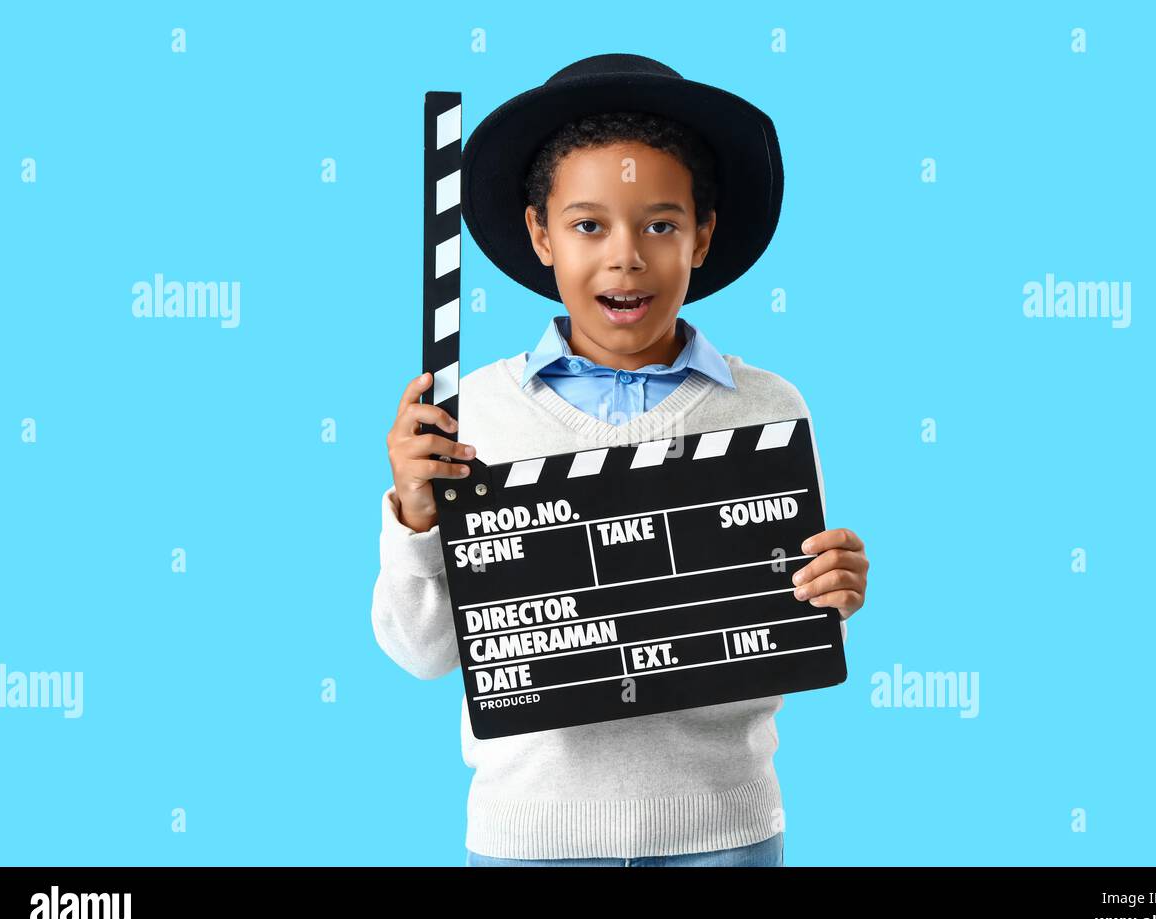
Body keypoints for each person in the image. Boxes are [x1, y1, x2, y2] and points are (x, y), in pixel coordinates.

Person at [373, 54, 870, 867]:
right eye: (588, 224)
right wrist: (416, 520)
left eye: (661, 224)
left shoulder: (771, 409)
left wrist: (830, 589)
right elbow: (422, 653)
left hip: (725, 833)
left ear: (703, 236)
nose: (627, 257)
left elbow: (781, 620)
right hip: (527, 837)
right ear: (540, 234)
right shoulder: (473, 415)